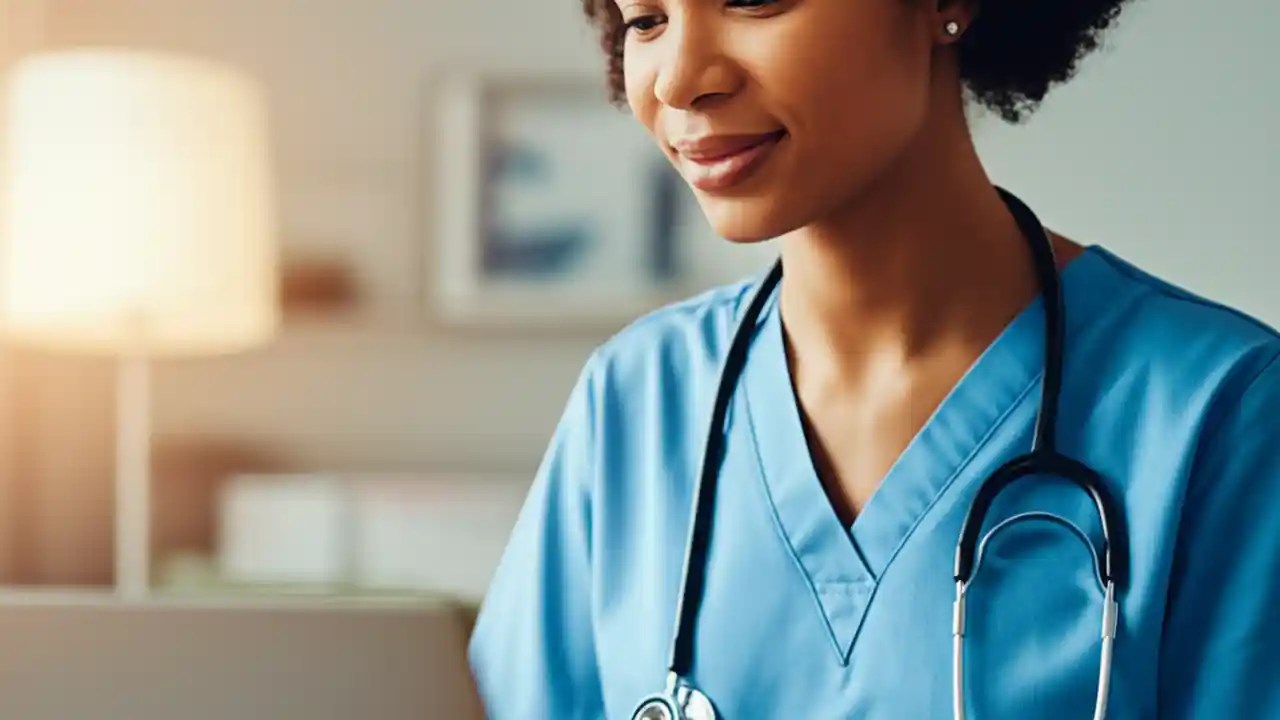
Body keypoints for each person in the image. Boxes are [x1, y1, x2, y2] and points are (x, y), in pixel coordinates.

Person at [468, 0, 1280, 716]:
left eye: (752, 0)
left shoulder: (1221, 410)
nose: (680, 79)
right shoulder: (636, 398)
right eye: (647, 19)